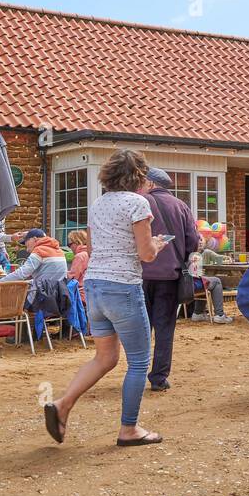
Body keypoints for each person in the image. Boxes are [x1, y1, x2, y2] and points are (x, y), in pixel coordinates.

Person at [43, 149, 167, 446]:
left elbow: (94, 248)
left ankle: (63, 404)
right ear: (139, 175)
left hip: (96, 285)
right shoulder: (138, 203)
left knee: (105, 358)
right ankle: (129, 429)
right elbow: (145, 254)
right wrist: (159, 244)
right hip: (123, 286)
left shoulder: (97, 204)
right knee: (138, 362)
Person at [139, 167, 201, 392]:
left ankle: (136, 372)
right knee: (164, 328)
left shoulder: (140, 202)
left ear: (151, 183)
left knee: (141, 327)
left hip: (140, 274)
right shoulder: (181, 206)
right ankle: (158, 377)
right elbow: (193, 242)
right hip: (169, 275)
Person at [0, 228, 67, 308]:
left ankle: (15, 327)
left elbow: (21, 274)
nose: (27, 249)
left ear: (35, 239)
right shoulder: (59, 251)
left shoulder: (39, 250)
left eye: (27, 244)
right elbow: (47, 280)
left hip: (41, 300)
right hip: (58, 301)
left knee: (10, 301)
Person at [186, 252, 231, 323]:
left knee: (204, 281)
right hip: (189, 284)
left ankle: (198, 313)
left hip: (177, 285)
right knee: (216, 281)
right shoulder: (189, 252)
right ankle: (219, 315)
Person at [66, 230, 90, 307]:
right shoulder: (90, 253)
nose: (69, 248)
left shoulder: (80, 256)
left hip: (80, 295)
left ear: (76, 242)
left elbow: (73, 277)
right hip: (90, 293)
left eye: (69, 244)